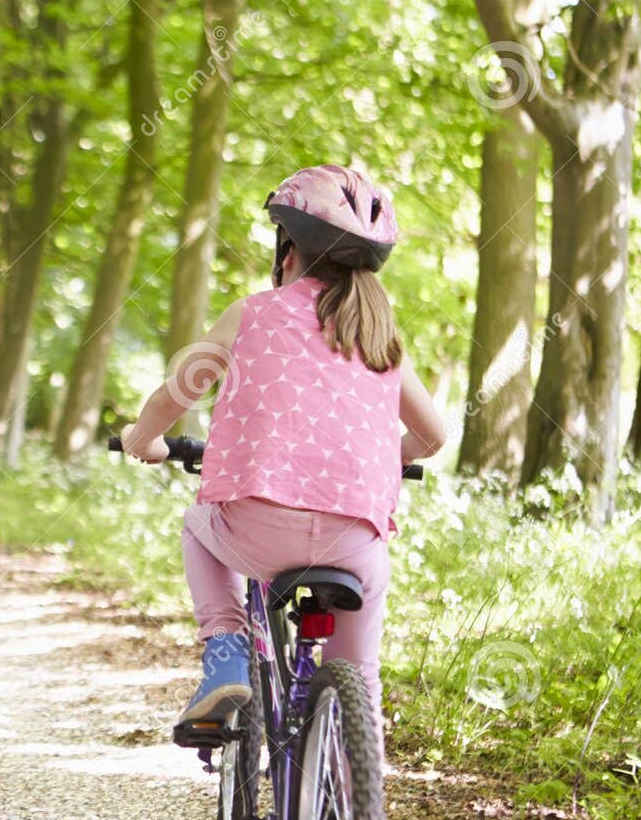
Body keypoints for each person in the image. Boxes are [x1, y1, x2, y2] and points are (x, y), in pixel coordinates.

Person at [121, 165, 445, 737]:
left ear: (287, 250)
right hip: (355, 541)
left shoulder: (251, 314)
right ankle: (359, 810)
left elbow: (182, 389)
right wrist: (387, 457)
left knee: (199, 524)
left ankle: (226, 651)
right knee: (359, 675)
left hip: (259, 527)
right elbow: (433, 436)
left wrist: (143, 439)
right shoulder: (382, 339)